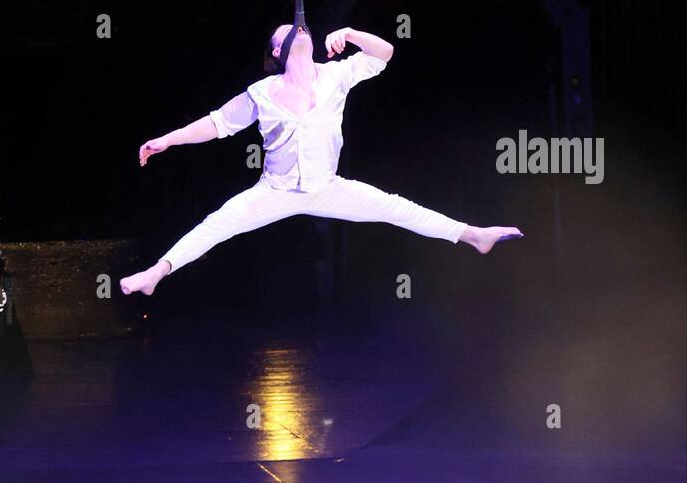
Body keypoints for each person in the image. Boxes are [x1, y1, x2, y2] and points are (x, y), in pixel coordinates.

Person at [120, 24, 523, 296]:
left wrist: (348, 33)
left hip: (329, 188)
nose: (300, 32)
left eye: (303, 29)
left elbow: (384, 53)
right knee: (217, 224)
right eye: (289, 33)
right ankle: (157, 272)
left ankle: (474, 235)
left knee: (397, 207)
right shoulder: (261, 93)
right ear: (277, 51)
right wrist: (168, 140)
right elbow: (217, 124)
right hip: (275, 191)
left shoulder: (335, 75)